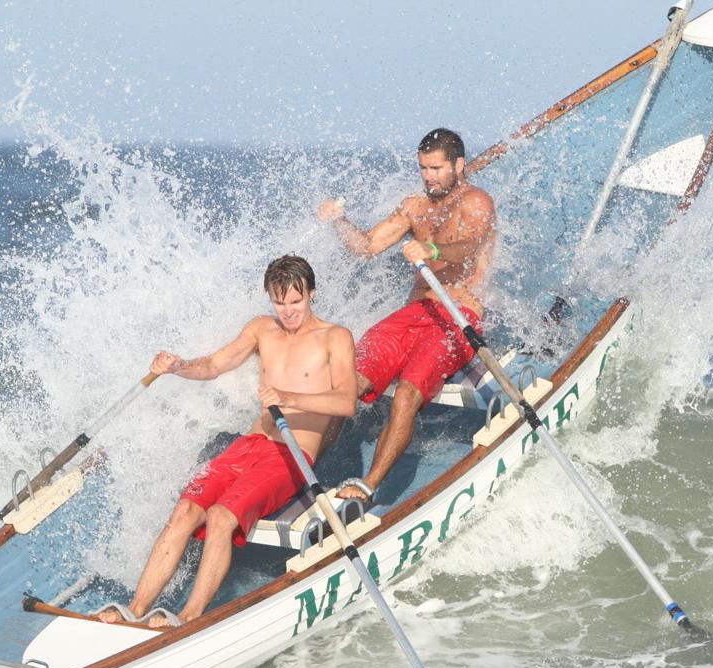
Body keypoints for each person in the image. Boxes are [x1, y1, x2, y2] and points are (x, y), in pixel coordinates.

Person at [98, 255, 357, 628]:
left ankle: (188, 619)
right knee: (185, 512)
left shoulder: (335, 337)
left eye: (295, 301)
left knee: (222, 516)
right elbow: (214, 365)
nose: (288, 311)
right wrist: (178, 367)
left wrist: (289, 397)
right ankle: (135, 609)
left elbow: (345, 402)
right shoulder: (260, 329)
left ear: (312, 294)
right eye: (279, 302)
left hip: (289, 454)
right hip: (248, 446)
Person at [317, 128, 496, 503]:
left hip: (457, 314)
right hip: (414, 312)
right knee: (348, 383)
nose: (428, 177)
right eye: (423, 169)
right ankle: (303, 466)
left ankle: (368, 485)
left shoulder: (477, 202)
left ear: (458, 165)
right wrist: (339, 220)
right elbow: (365, 246)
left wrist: (430, 248)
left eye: (436, 168)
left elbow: (469, 246)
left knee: (407, 394)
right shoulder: (414, 206)